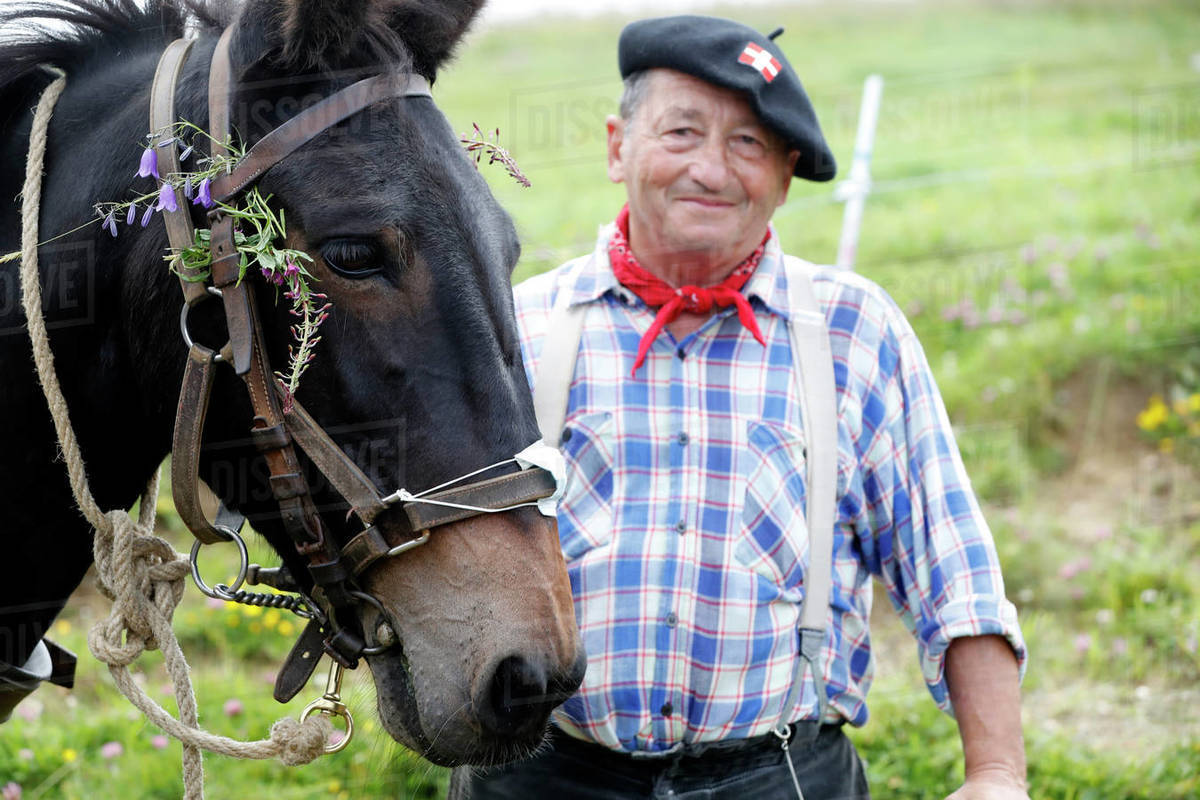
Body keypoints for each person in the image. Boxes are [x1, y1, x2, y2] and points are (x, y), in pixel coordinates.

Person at [465, 14, 1028, 800]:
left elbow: (952, 567)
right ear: (617, 147)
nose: (711, 169)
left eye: (749, 145)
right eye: (682, 132)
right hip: (548, 771)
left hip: (779, 774)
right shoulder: (522, 326)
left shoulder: (853, 332)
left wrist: (996, 772)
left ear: (785, 177)